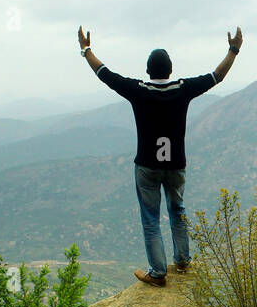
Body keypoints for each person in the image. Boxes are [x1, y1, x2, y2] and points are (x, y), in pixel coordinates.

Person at [79, 25, 243, 286]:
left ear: (147, 70)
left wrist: (86, 50)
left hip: (147, 166)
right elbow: (217, 76)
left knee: (150, 217)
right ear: (171, 69)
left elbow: (105, 74)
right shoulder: (183, 88)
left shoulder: (138, 90)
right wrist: (234, 50)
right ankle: (183, 260)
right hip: (176, 164)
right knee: (178, 210)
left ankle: (157, 273)